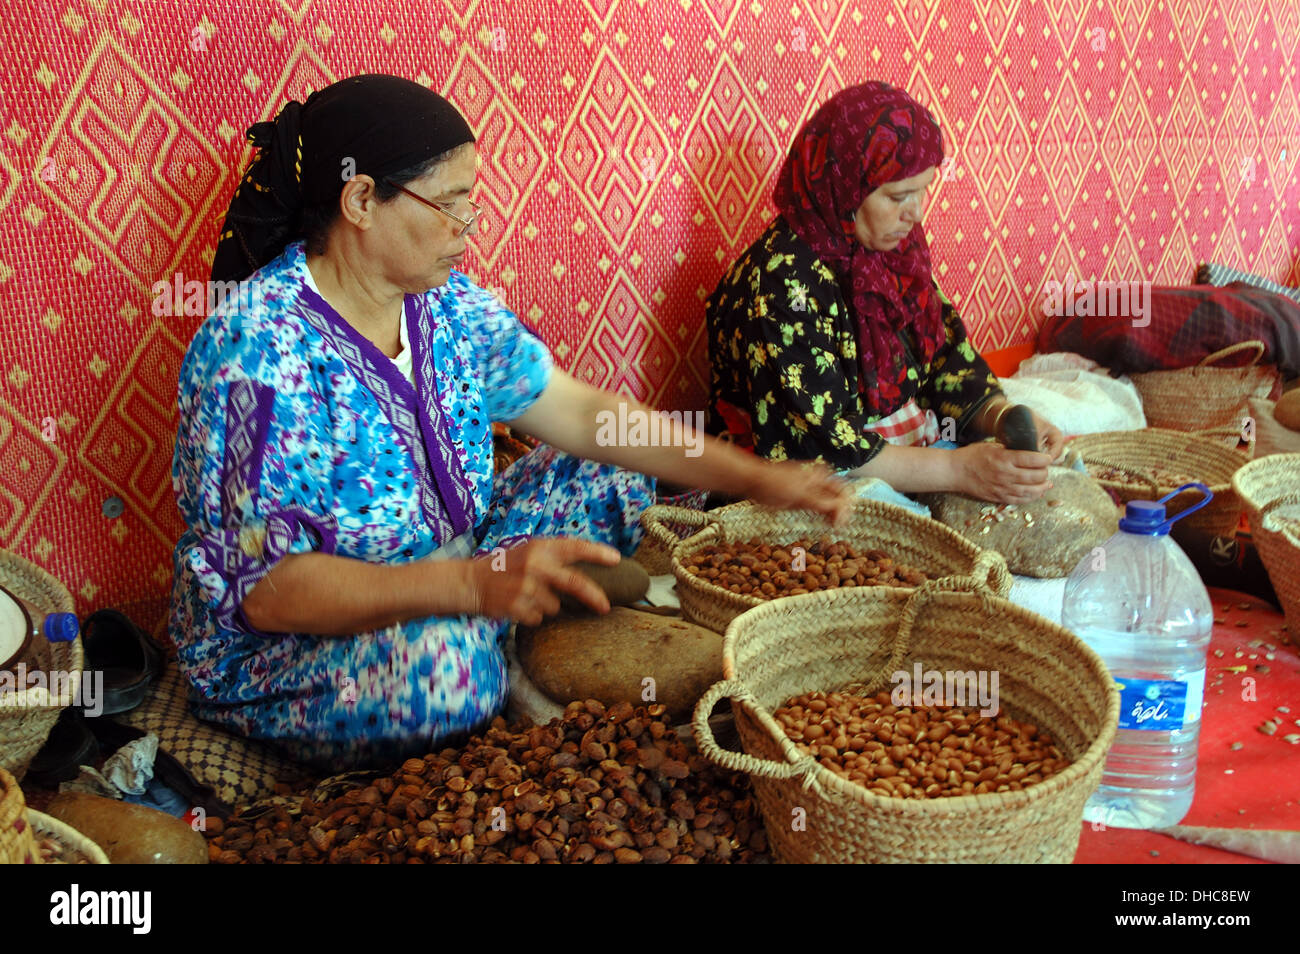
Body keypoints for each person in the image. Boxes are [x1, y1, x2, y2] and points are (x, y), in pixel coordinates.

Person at [172, 74, 852, 770]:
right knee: (445, 676)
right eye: (447, 204)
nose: (466, 227)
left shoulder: (445, 305)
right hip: (294, 639)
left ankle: (496, 618)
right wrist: (469, 586)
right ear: (360, 200)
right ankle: (485, 637)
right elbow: (265, 591)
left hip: (455, 555)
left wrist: (755, 474)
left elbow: (584, 414)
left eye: (470, 202)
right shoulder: (250, 353)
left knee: (617, 459)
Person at [705, 82, 1065, 505]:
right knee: (903, 537)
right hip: (811, 483)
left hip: (908, 454)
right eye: (898, 196)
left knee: (1050, 481)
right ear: (845, 189)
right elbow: (817, 447)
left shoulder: (893, 255)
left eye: (923, 190)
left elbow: (945, 358)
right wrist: (959, 470)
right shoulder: (781, 283)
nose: (914, 213)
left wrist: (1001, 418)